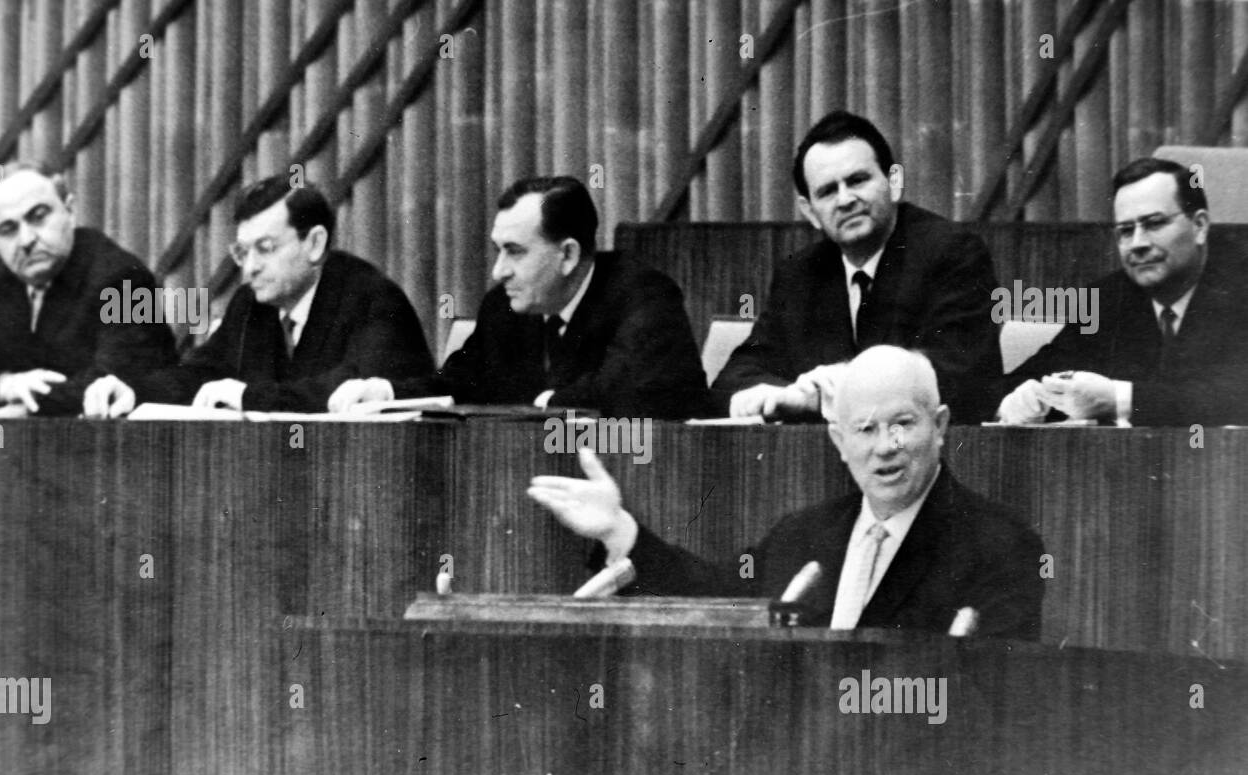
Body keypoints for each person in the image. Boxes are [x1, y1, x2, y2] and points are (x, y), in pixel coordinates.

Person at [530, 346, 1044, 640]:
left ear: (940, 426)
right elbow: (716, 599)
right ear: (839, 443)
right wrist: (621, 530)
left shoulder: (1000, 546)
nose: (885, 448)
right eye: (865, 430)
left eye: (903, 424)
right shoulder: (806, 535)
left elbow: (991, 703)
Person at [327, 176, 712, 419]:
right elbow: (457, 386)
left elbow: (620, 395)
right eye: (498, 250)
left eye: (516, 251)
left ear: (568, 255)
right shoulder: (505, 308)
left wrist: (535, 405)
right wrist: (387, 393)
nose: (499, 271)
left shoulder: (644, 296)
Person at [713, 110, 1003, 425]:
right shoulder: (799, 274)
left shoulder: (951, 252)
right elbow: (737, 375)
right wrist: (782, 397)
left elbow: (961, 376)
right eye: (827, 191)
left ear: (894, 181)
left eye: (857, 180)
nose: (845, 199)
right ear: (809, 211)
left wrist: (827, 396)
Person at [83, 177, 432, 416]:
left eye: (265, 249)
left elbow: (348, 390)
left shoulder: (374, 300)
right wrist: (135, 390)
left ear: (314, 243)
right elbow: (200, 372)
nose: (249, 268)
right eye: (242, 252)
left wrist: (247, 396)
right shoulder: (251, 304)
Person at [996, 157, 1248, 426]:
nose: (1137, 243)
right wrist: (1022, 398)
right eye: (1126, 231)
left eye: (1154, 224)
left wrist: (1120, 400)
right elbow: (1030, 378)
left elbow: (1234, 398)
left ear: (1199, 226)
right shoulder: (1108, 298)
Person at [0, 163, 177, 415]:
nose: (26, 241)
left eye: (38, 216)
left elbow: (117, 382)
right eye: (8, 229)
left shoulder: (123, 277)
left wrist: (26, 411)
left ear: (70, 211)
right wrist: (4, 385)